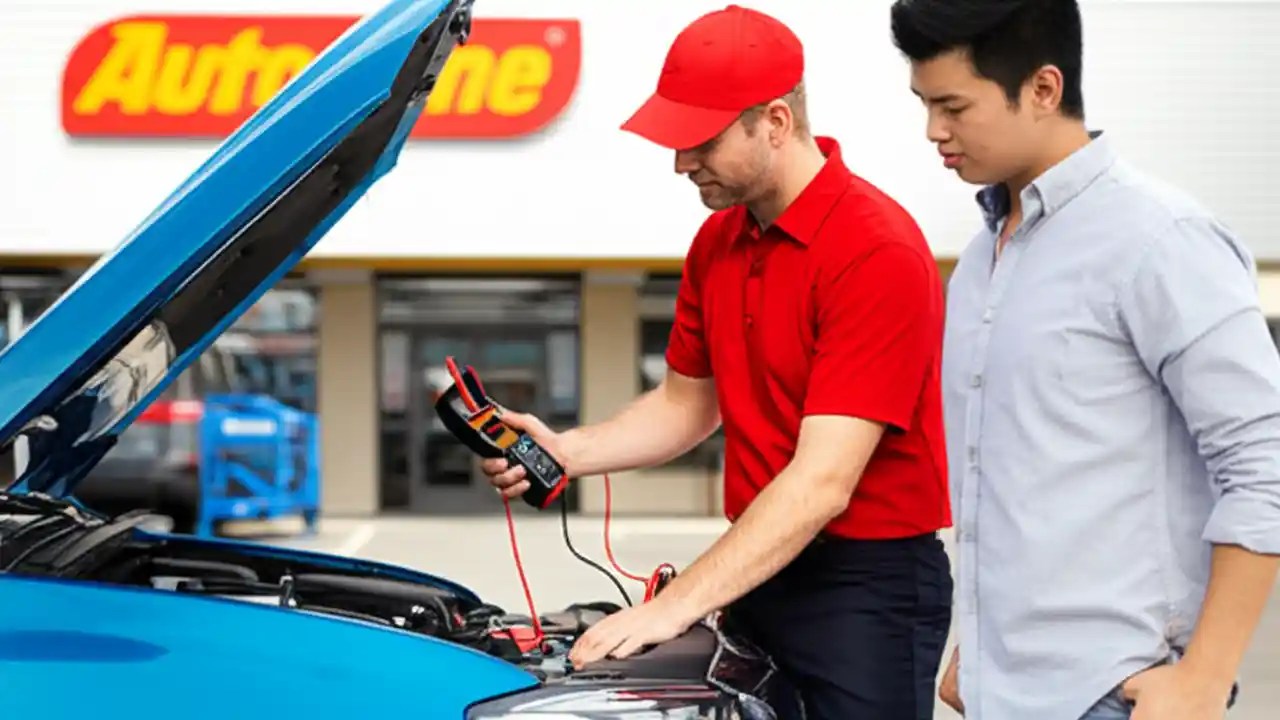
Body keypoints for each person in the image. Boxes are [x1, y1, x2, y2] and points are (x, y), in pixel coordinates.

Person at [481, 5, 953, 719]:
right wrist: (565, 451)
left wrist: (673, 608)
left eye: (699, 139)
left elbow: (823, 482)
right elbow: (686, 405)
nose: (679, 162)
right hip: (760, 566)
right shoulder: (719, 243)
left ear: (775, 122)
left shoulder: (874, 249)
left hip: (867, 590)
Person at [888, 1, 1280, 718]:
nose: (933, 132)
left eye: (952, 106)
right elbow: (1008, 477)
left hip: (1117, 694)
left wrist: (1203, 676)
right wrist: (982, 645)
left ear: (1042, 89)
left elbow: (1265, 459)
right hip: (999, 694)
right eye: (923, 104)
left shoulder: (1160, 240)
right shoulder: (982, 258)